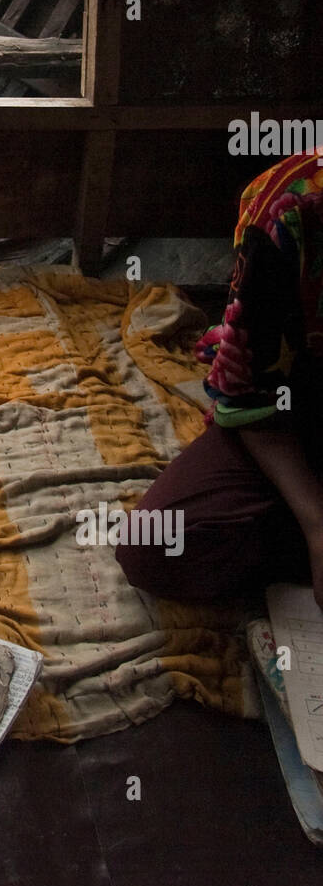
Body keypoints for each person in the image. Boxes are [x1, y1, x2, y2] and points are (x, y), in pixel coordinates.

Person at [115, 150, 323, 609]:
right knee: (153, 546)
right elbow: (249, 395)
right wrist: (316, 524)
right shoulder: (292, 208)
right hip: (298, 420)